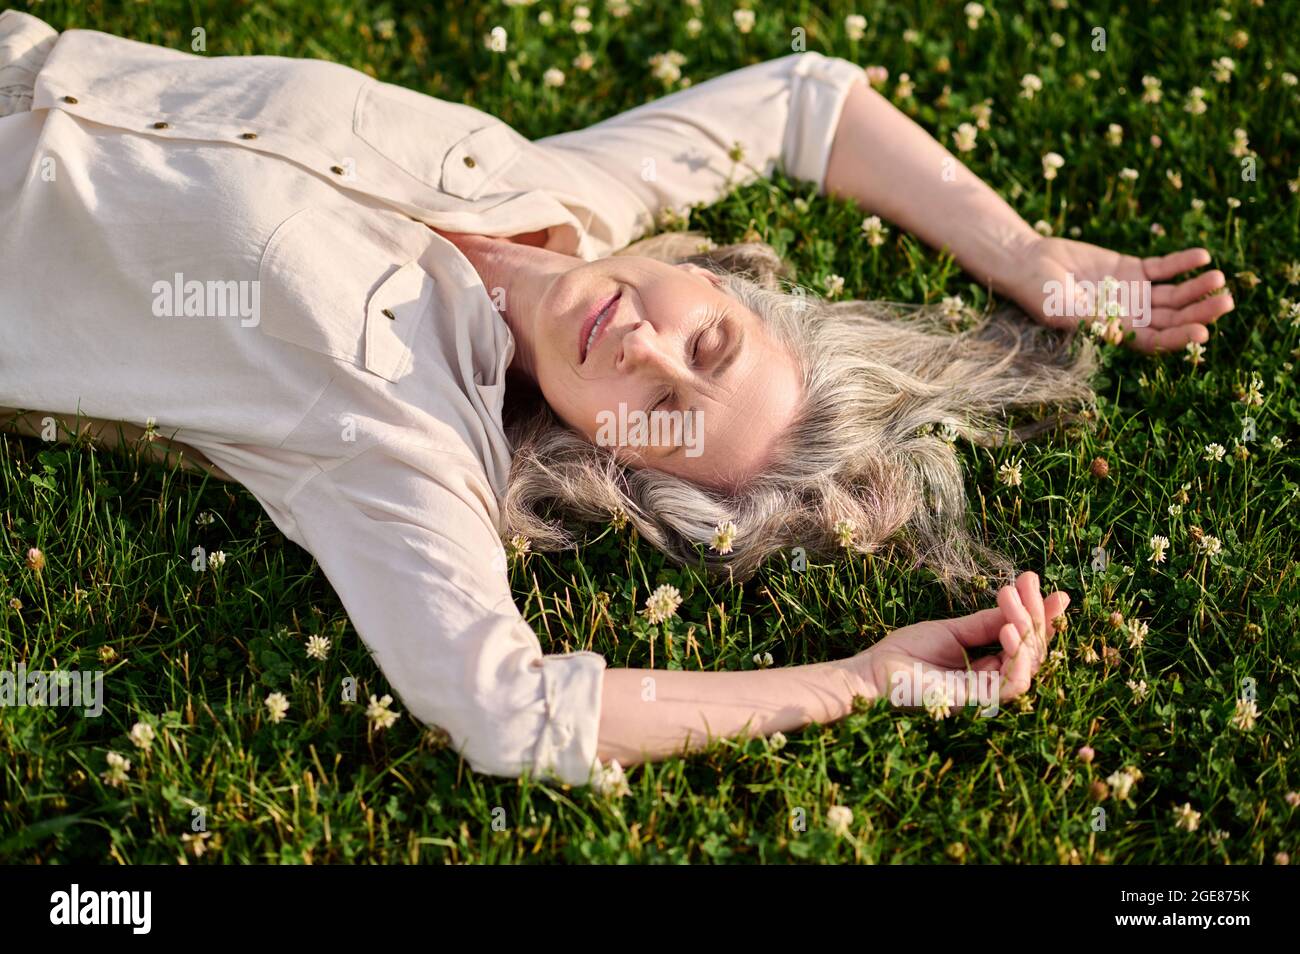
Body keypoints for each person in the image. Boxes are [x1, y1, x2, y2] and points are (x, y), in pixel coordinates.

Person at [0, 9, 1233, 787]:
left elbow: (509, 711)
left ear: (619, 460)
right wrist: (1031, 260)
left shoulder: (398, 435)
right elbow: (807, 104)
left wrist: (860, 679)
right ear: (714, 280)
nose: (645, 340)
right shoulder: (556, 190)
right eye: (710, 335)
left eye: (667, 406)